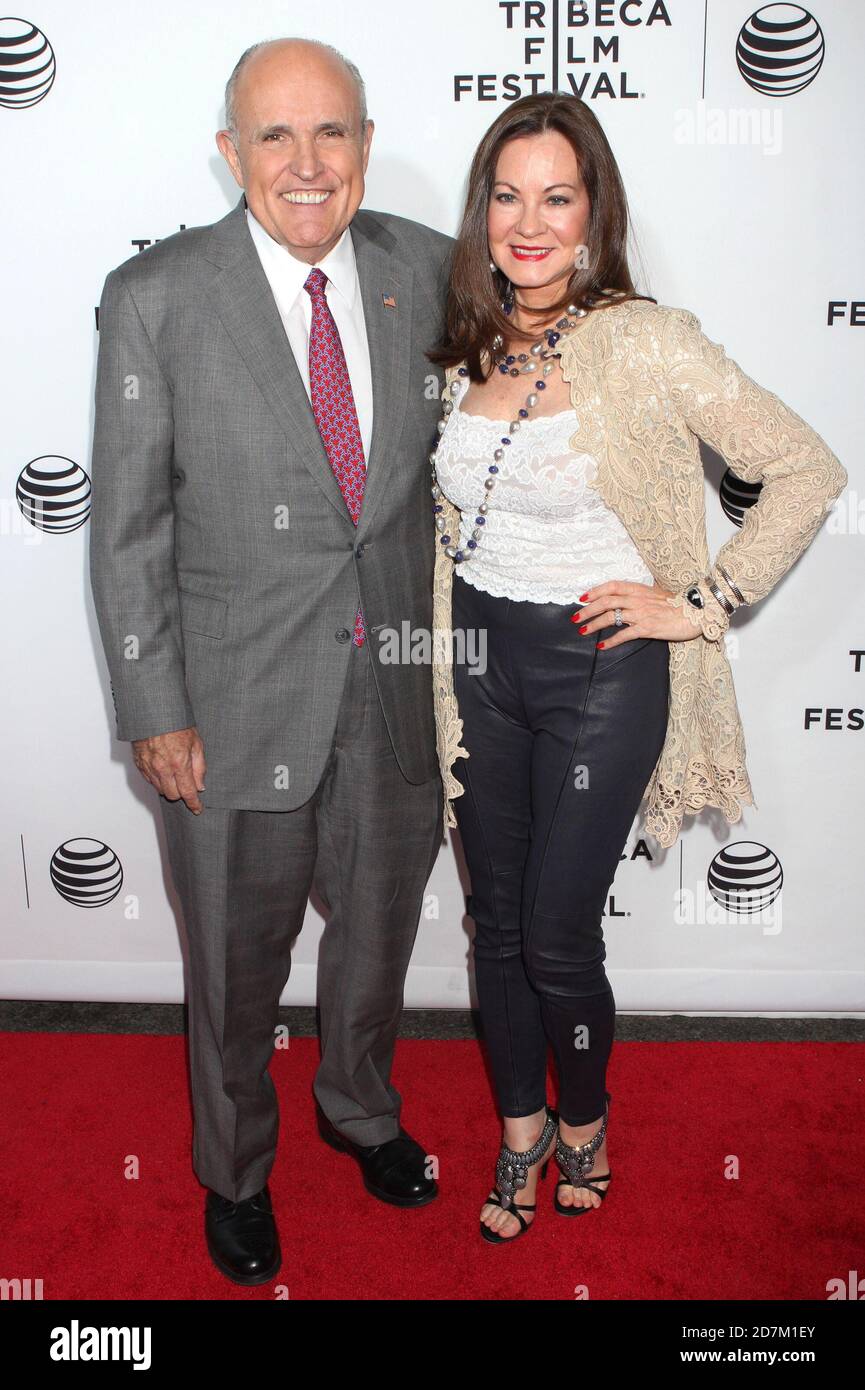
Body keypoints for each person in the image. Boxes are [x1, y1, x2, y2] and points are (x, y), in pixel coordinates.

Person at [427, 91, 846, 1243]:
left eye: (556, 196)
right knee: (494, 927)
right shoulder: (463, 341)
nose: (528, 222)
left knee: (558, 933)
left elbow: (804, 466)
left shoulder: (648, 340)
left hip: (600, 669)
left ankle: (586, 1122)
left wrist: (704, 602)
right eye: (507, 196)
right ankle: (520, 1133)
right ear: (481, 213)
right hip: (474, 662)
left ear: (594, 210)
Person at [89, 37, 452, 1284]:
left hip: (396, 694)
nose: (307, 163)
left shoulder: (431, 269)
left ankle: (358, 1109)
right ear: (230, 152)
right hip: (230, 707)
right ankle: (235, 1173)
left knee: (373, 943)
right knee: (235, 971)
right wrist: (154, 708)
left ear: (364, 142)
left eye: (332, 132)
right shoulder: (157, 297)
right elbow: (128, 526)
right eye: (276, 136)